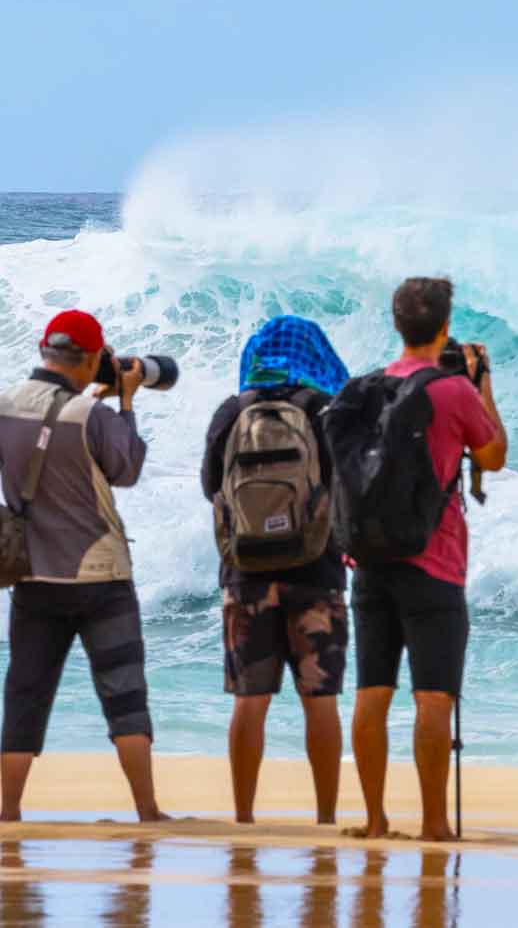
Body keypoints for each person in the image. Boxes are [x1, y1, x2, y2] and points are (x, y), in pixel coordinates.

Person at [348, 277, 506, 841]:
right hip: (434, 561)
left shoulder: (365, 389)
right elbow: (493, 452)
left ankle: (373, 819)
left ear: (397, 326)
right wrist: (482, 382)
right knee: (432, 695)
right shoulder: (452, 391)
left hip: (368, 560)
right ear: (444, 327)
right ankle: (435, 823)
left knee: (372, 691)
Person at [0, 310, 167, 822]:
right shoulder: (91, 415)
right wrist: (127, 401)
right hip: (102, 577)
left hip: (33, 574)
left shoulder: (5, 405)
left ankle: (8, 811)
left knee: (25, 693)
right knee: (125, 693)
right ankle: (147, 809)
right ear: (94, 359)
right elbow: (127, 468)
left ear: (42, 349)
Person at [200, 315, 351, 825]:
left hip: (245, 577)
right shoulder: (325, 408)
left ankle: (243, 817)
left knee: (249, 700)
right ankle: (326, 816)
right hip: (317, 573)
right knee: (320, 700)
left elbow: (209, 486)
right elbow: (343, 489)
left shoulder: (231, 411)